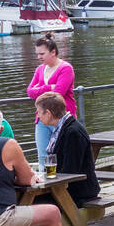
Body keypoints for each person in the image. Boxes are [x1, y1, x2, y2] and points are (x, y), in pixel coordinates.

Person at [22, 93, 100, 226]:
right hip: (70, 185)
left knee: (39, 202)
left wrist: (47, 180)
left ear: (48, 113)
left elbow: (70, 171)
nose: (38, 116)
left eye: (39, 112)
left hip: (80, 189)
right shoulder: (64, 127)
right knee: (33, 199)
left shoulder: (72, 132)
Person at [26, 34, 76, 171]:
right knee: (43, 156)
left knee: (64, 154)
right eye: (37, 54)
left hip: (61, 118)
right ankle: (44, 187)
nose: (39, 57)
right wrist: (49, 87)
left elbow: (58, 93)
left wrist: (41, 90)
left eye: (42, 53)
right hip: (41, 118)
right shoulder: (39, 69)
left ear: (53, 52)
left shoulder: (66, 68)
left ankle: (65, 186)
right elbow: (30, 91)